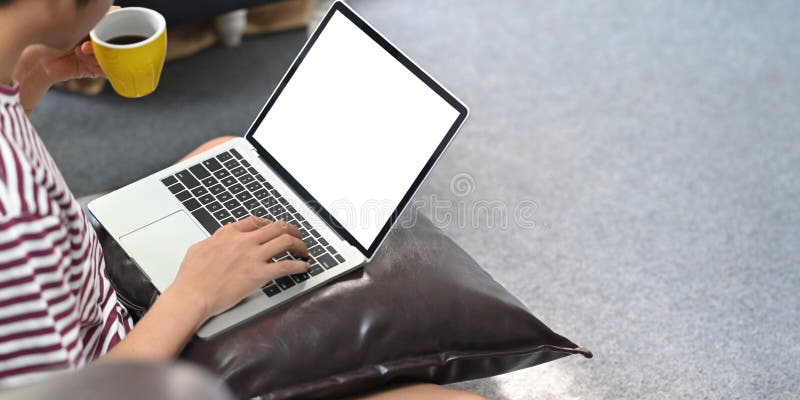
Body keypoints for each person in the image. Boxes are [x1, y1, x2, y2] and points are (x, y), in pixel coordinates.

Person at [0, 1, 484, 399]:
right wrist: (196, 292)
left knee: (222, 151)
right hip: (117, 368)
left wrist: (34, 79)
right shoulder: (17, 215)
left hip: (89, 292)